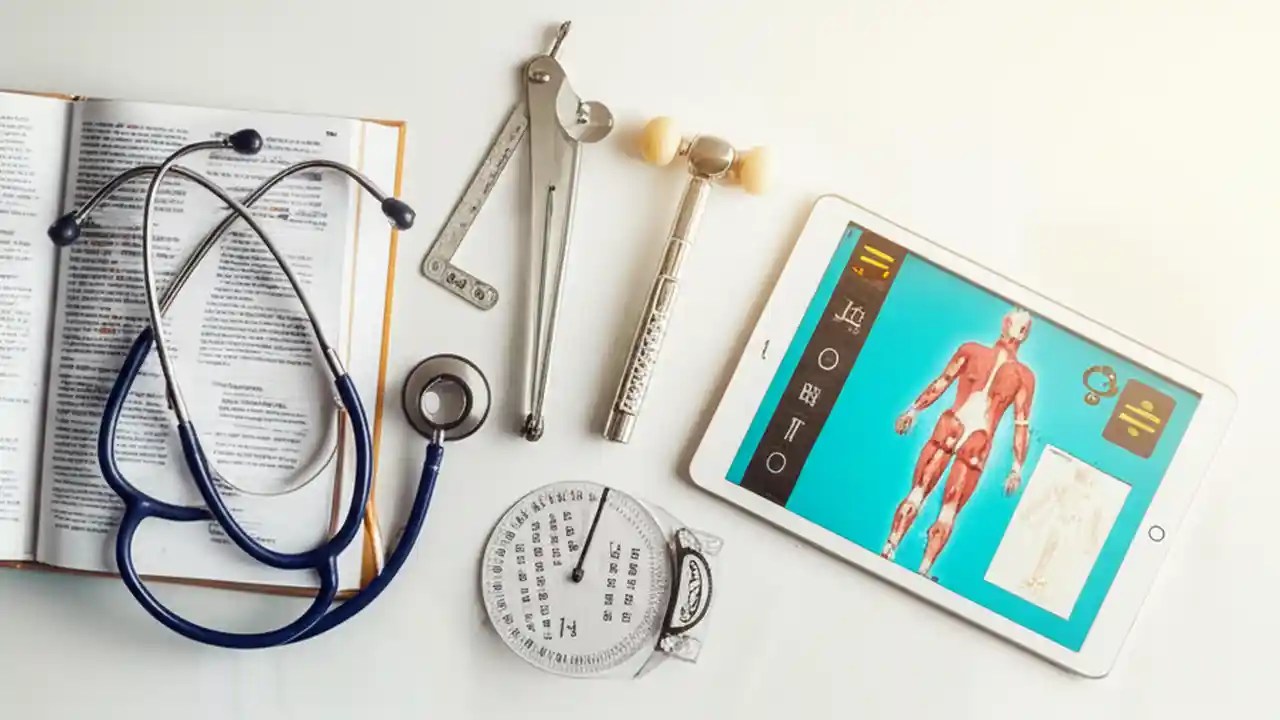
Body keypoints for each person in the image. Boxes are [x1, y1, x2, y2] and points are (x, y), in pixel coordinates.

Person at [881, 308, 1036, 577]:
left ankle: (892, 549)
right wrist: (1016, 467)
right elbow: (1020, 423)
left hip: (958, 427)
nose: (1018, 329)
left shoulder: (975, 352)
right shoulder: (1020, 374)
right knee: (945, 508)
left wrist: (913, 410)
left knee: (922, 494)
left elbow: (942, 382)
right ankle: (919, 565)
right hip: (977, 438)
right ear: (1019, 332)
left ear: (1006, 326)